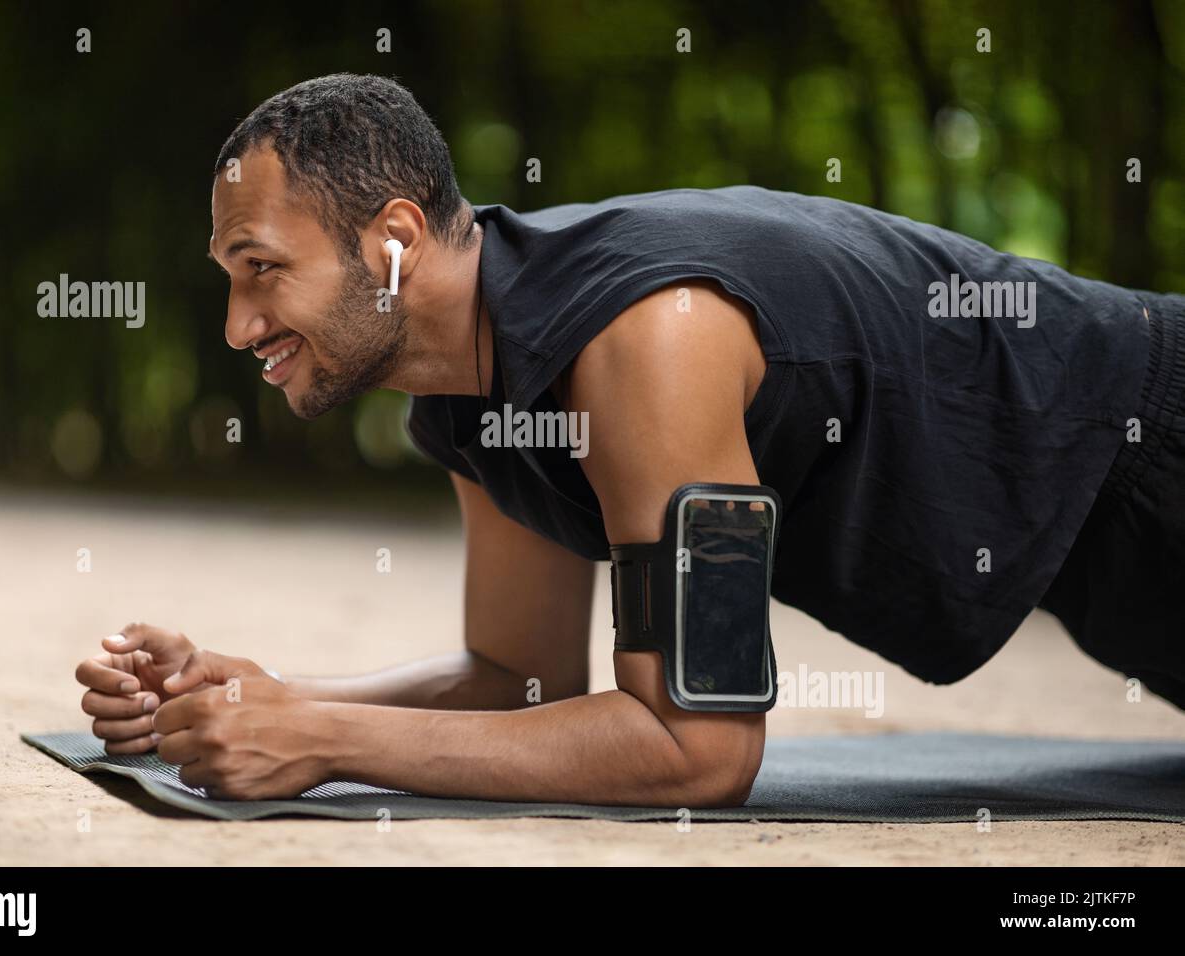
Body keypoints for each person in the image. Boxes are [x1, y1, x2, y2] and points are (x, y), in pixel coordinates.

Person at [75, 73, 1184, 804]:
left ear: (397, 241)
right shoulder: (471, 386)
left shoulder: (647, 341)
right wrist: (270, 695)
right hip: (1113, 569)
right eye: (227, 282)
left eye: (263, 270)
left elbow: (699, 746)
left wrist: (322, 742)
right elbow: (520, 678)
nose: (237, 326)